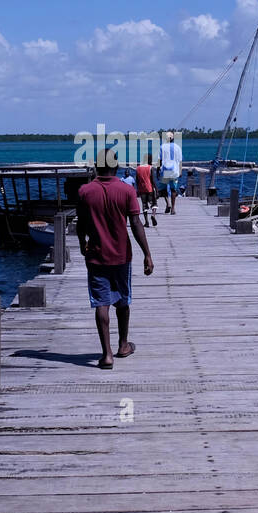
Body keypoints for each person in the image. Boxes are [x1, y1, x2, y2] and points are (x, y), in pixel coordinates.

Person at [76, 150, 154, 369]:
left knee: (101, 303)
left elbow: (80, 223)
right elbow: (137, 224)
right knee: (123, 301)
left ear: (97, 167)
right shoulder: (127, 190)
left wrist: (82, 241)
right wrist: (147, 254)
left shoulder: (85, 191)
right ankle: (122, 345)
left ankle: (107, 355)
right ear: (116, 167)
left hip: (96, 256)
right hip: (121, 256)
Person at [159, 131, 183, 214]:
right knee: (173, 190)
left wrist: (158, 170)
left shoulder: (162, 147)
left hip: (165, 170)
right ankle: (173, 208)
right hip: (174, 171)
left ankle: (168, 203)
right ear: (173, 138)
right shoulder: (177, 147)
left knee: (163, 189)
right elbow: (180, 161)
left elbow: (160, 160)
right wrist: (180, 171)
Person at [135, 146, 158, 227]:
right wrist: (157, 190)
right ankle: (153, 215)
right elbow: (152, 180)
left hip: (142, 190)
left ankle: (146, 222)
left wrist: (137, 190)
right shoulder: (150, 168)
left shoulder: (138, 168)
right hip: (150, 189)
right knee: (154, 203)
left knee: (144, 205)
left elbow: (137, 181)